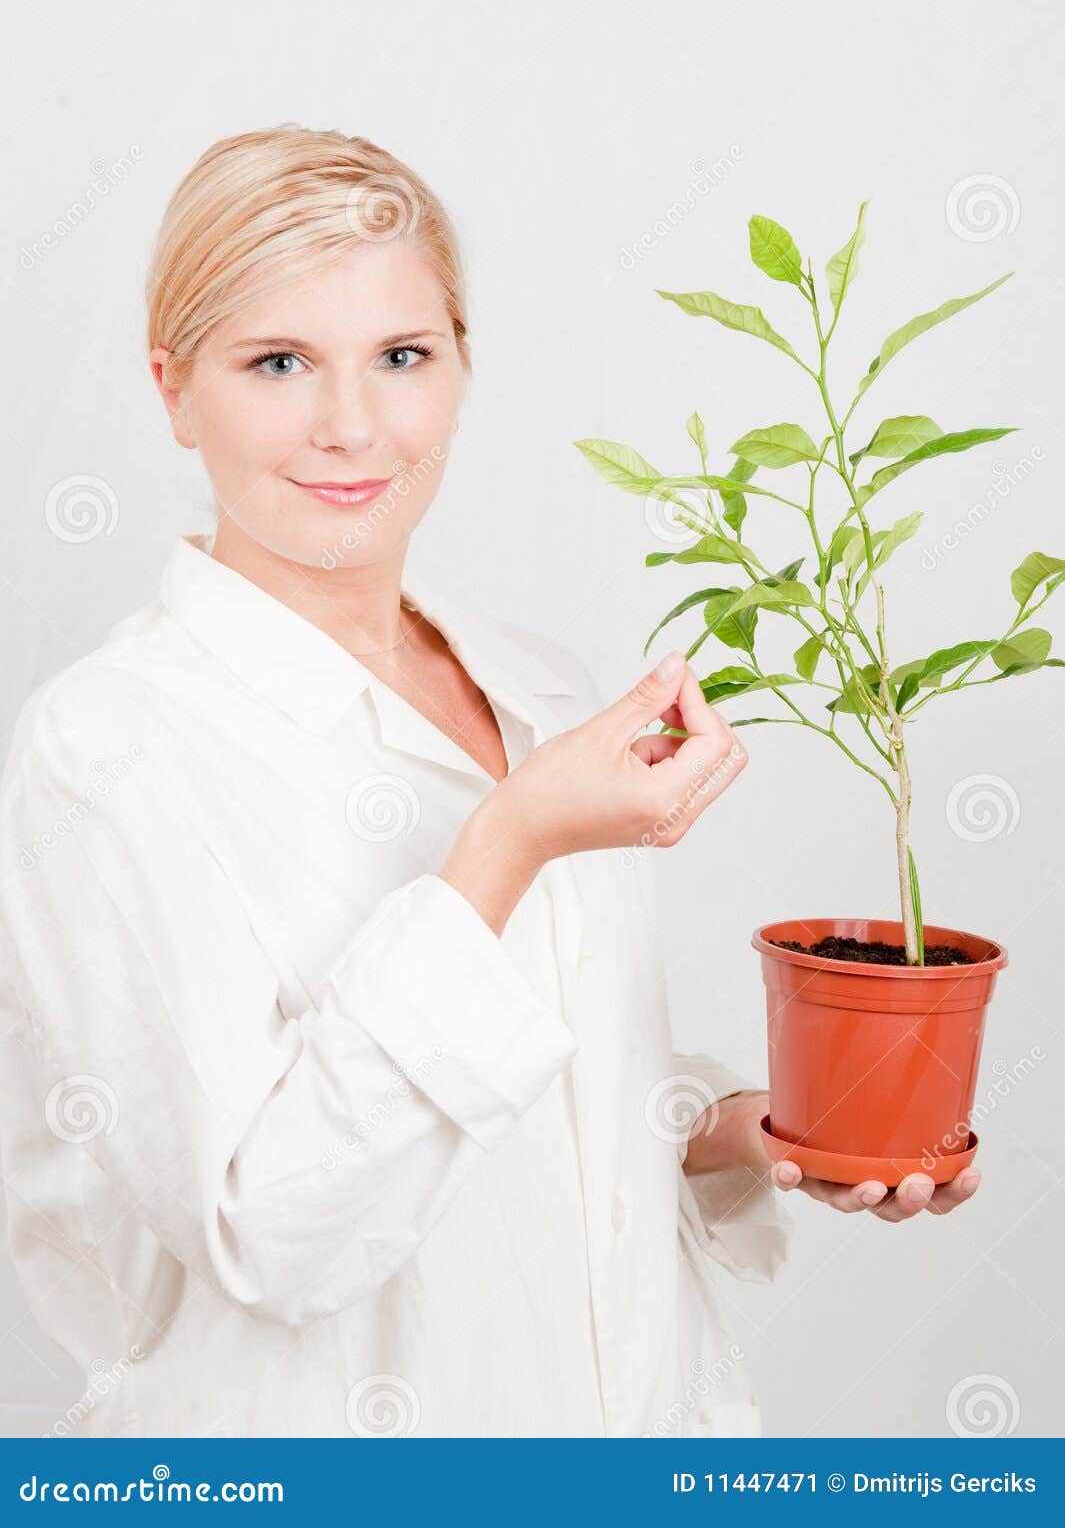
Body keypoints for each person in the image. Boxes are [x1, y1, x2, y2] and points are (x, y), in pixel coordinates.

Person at [0, 127, 981, 1440]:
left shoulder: (537, 686)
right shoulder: (108, 746)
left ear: (460, 364)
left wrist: (745, 1127)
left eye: (401, 356)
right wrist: (503, 842)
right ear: (176, 389)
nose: (352, 424)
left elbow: (552, 1105)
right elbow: (267, 1224)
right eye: (277, 360)